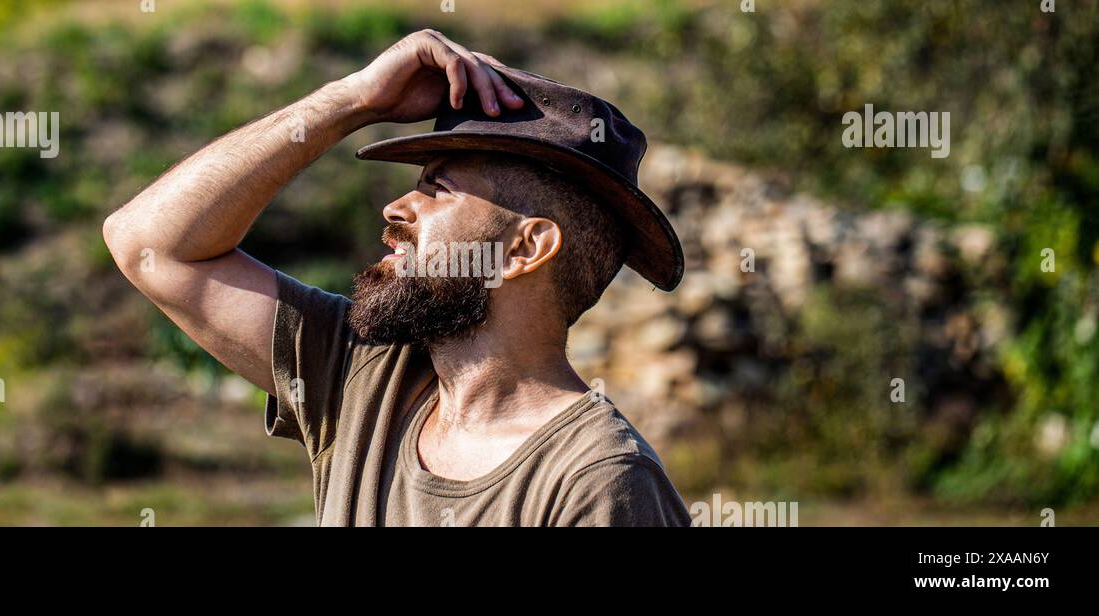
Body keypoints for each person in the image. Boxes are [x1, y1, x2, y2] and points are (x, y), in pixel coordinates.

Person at [103, 30, 690, 526]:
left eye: (438, 187)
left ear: (525, 248)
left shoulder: (599, 482)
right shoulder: (364, 374)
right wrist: (353, 98)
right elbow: (149, 245)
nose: (396, 208)